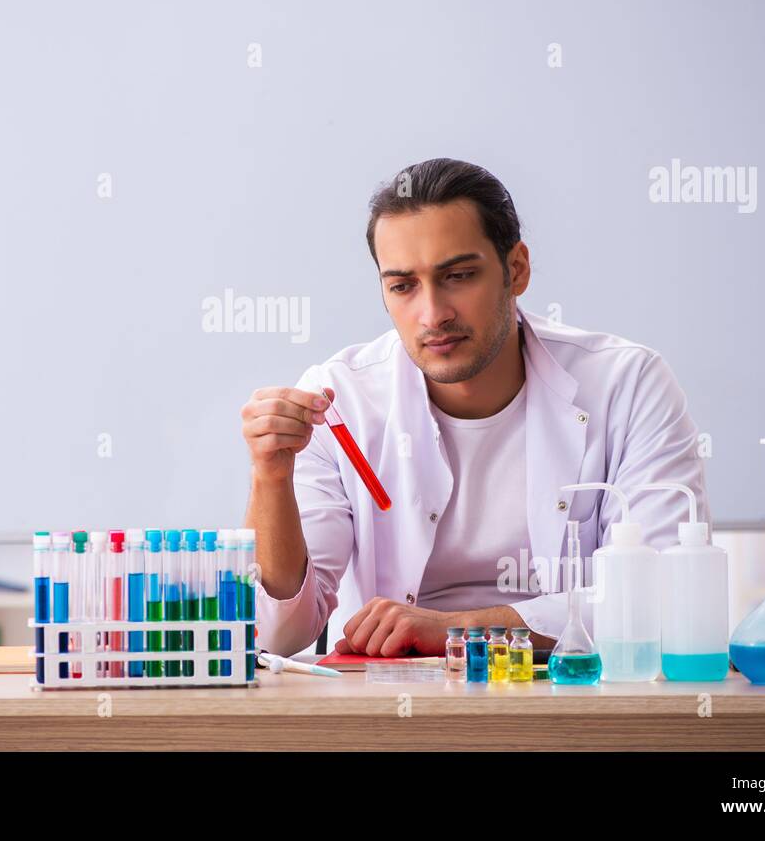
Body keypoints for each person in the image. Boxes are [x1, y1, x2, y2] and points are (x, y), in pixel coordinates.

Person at [241, 158, 710, 657]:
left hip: (568, 690)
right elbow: (276, 635)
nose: (433, 314)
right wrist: (270, 477)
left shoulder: (627, 384)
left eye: (459, 275)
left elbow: (665, 597)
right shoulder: (340, 399)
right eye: (403, 286)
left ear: (516, 269)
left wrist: (459, 630)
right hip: (388, 696)